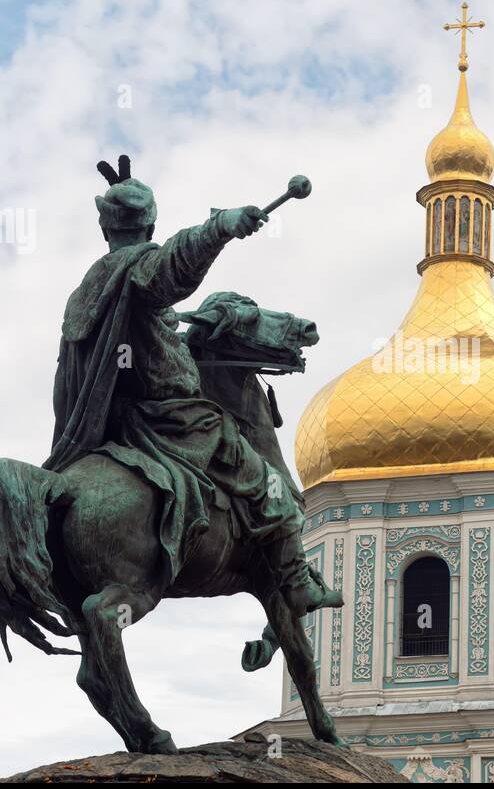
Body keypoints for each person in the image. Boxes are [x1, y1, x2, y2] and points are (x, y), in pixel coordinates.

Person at [42, 154, 341, 616]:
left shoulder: (90, 288)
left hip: (115, 426)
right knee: (268, 485)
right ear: (149, 226)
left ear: (106, 229)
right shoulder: (135, 271)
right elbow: (173, 267)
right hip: (174, 420)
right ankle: (297, 582)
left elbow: (142, 343)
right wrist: (221, 225)